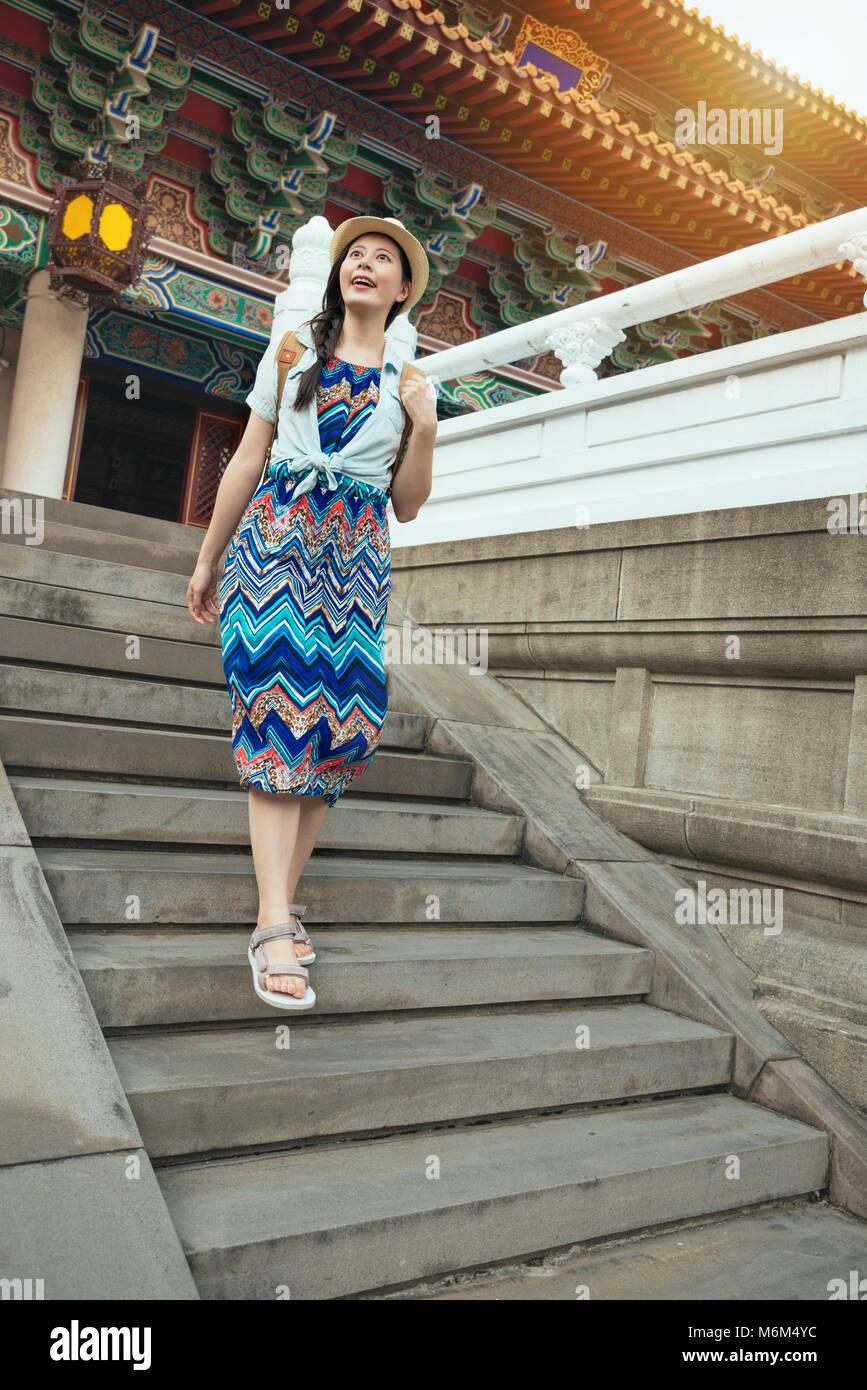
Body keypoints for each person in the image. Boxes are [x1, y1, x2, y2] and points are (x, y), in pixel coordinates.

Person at [186, 216, 436, 1010]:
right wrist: (207, 557)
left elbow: (409, 503)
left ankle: (284, 905)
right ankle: (269, 922)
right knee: (275, 713)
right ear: (339, 277)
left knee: (337, 723)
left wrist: (424, 428)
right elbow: (250, 456)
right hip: (275, 546)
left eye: (382, 261)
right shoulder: (293, 349)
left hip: (355, 563)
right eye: (354, 256)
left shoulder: (408, 380)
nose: (364, 266)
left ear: (402, 290)